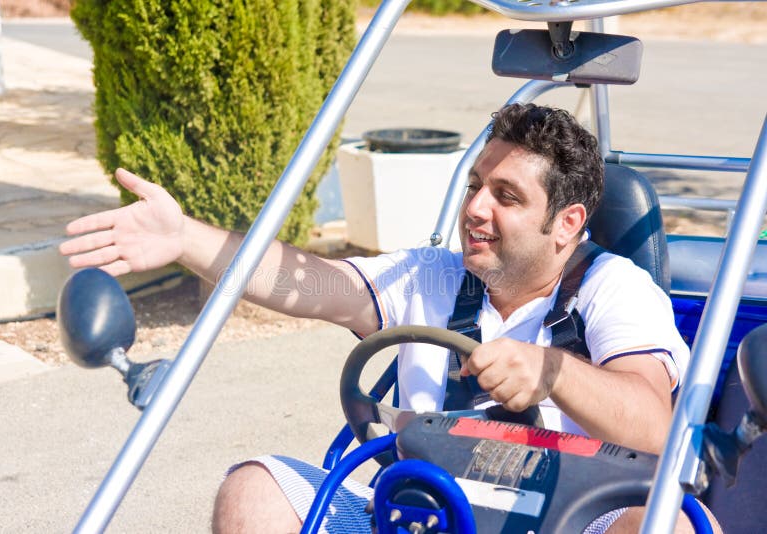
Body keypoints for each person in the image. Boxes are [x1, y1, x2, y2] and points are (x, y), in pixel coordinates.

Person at [60, 104, 718, 533]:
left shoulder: (615, 291)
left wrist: (552, 372)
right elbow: (311, 283)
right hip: (427, 510)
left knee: (664, 525)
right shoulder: (431, 275)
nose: (476, 209)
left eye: (506, 196)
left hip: (570, 516)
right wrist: (184, 241)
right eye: (475, 185)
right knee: (255, 489)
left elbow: (653, 425)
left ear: (566, 224)